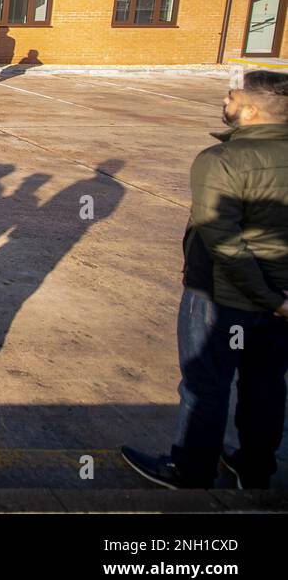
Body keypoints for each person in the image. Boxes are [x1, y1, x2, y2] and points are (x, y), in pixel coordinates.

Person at [122, 71, 288, 489]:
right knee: (266, 385)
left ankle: (191, 469)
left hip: (221, 297)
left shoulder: (222, 161)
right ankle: (255, 467)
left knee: (205, 385)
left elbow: (223, 241)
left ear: (250, 110)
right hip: (281, 301)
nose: (226, 100)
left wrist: (268, 297)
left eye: (232, 96)